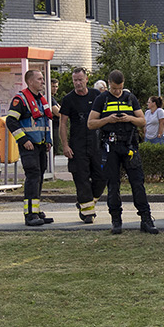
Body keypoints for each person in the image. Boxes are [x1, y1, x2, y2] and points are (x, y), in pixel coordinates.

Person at [85, 69, 158, 233]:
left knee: (137, 183)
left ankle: (146, 219)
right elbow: (91, 123)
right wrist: (107, 120)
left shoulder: (130, 98)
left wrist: (129, 118)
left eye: (120, 88)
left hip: (129, 145)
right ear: (109, 84)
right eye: (114, 88)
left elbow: (142, 120)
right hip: (110, 146)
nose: (117, 92)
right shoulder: (101, 99)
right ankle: (116, 221)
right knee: (113, 185)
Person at [5, 67, 56, 227]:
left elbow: (44, 122)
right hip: (29, 147)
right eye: (40, 79)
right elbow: (10, 121)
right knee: (33, 177)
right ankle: (29, 214)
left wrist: (48, 141)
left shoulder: (41, 99)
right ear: (30, 81)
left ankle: (36, 211)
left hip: (41, 146)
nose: (43, 82)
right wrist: (24, 140)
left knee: (38, 178)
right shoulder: (21, 100)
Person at [58, 67, 103, 223]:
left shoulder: (97, 95)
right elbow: (62, 123)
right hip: (77, 145)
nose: (77, 83)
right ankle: (88, 213)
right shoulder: (68, 99)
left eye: (80, 80)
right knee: (81, 178)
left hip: (96, 144)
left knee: (101, 177)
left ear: (86, 80)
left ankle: (86, 202)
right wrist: (65, 145)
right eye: (75, 80)